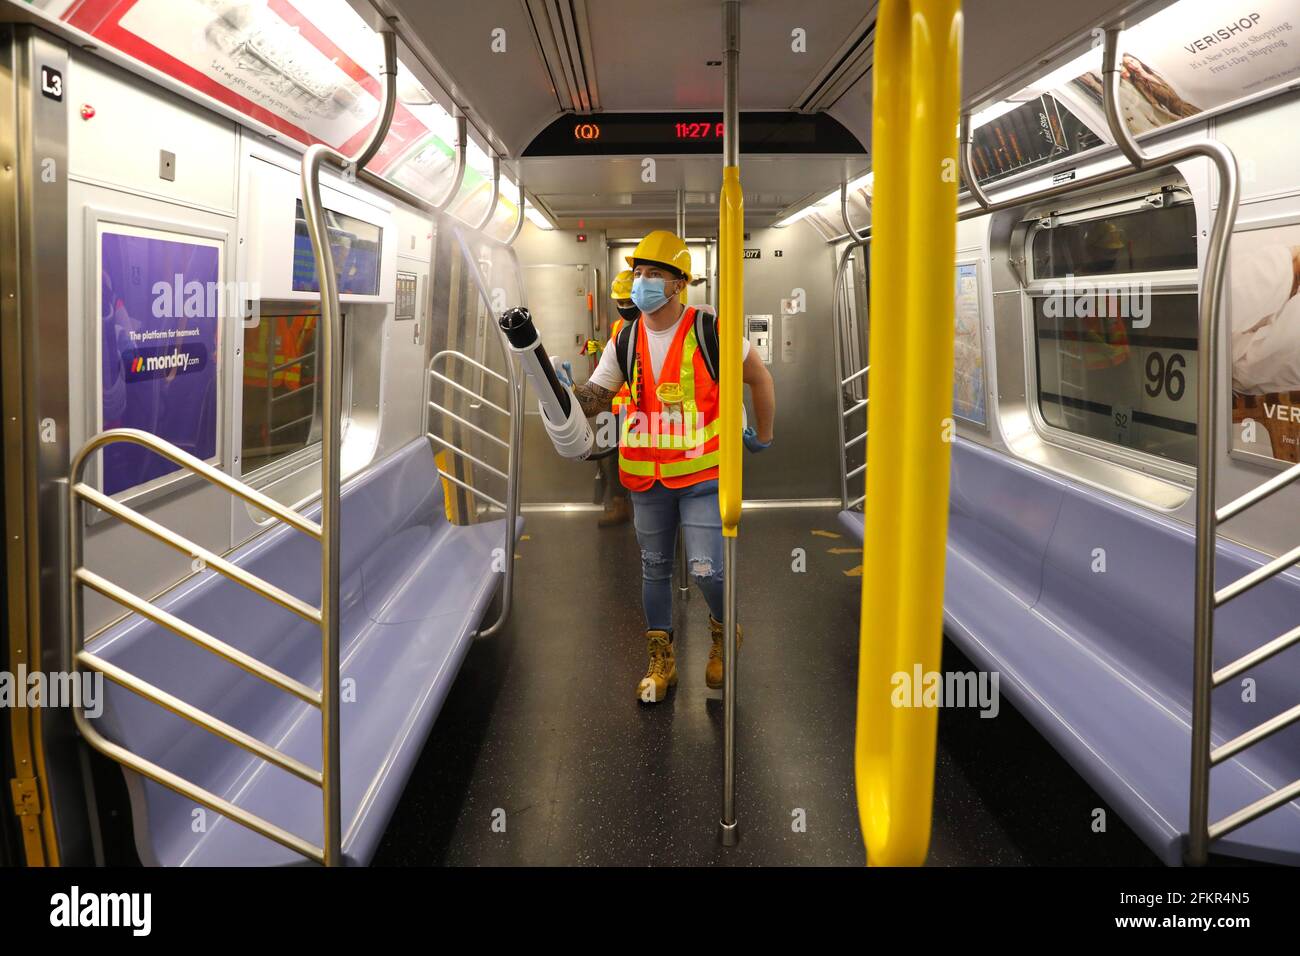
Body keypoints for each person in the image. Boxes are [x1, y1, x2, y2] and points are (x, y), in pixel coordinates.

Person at [572, 230, 776, 702]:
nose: (641, 282)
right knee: (654, 569)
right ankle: (661, 661)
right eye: (638, 273)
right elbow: (595, 398)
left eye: (653, 274)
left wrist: (764, 436)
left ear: (679, 283)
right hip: (647, 478)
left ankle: (723, 631)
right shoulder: (624, 338)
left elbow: (759, 377)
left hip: (702, 474)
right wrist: (561, 394)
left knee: (705, 569)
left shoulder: (710, 328)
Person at [590, 270, 638, 527]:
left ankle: (649, 509)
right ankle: (619, 506)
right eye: (620, 302)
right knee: (611, 454)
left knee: (644, 455)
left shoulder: (652, 325)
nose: (625, 306)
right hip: (619, 405)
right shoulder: (618, 328)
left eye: (629, 301)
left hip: (645, 408)